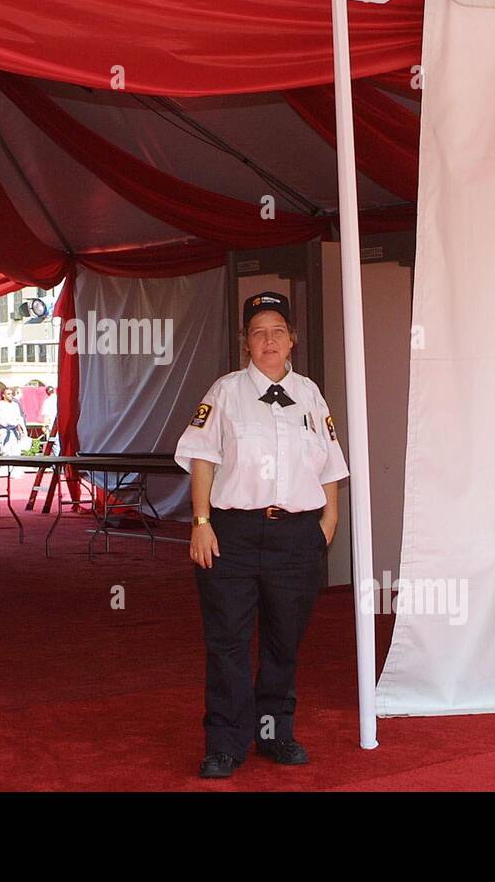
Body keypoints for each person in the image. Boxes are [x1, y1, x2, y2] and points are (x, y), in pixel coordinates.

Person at [174, 290, 349, 779]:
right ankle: (226, 744)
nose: (268, 340)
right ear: (245, 343)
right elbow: (202, 459)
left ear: (292, 339)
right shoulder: (225, 392)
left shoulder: (310, 394)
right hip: (232, 534)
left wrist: (328, 521)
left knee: (283, 642)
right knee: (227, 640)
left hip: (296, 536)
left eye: (277, 331)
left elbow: (329, 463)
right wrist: (202, 522)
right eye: (258, 332)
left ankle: (274, 734)